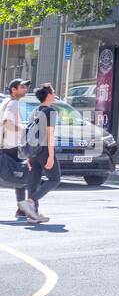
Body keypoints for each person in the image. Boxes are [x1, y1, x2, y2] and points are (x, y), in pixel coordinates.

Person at [20, 84, 60, 224]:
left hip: (33, 150)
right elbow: (49, 135)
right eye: (53, 92)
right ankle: (30, 201)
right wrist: (50, 155)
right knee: (55, 179)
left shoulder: (35, 111)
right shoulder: (50, 112)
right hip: (43, 150)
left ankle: (33, 215)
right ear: (48, 95)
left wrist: (29, 156)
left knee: (34, 181)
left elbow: (30, 133)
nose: (55, 94)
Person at [0, 79, 29, 220]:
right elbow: (7, 123)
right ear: (13, 89)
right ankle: (21, 208)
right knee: (21, 176)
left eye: (25, 87)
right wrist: (22, 129)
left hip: (5, 146)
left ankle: (21, 208)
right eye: (22, 87)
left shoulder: (6, 101)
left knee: (19, 177)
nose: (25, 89)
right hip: (10, 147)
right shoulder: (13, 103)